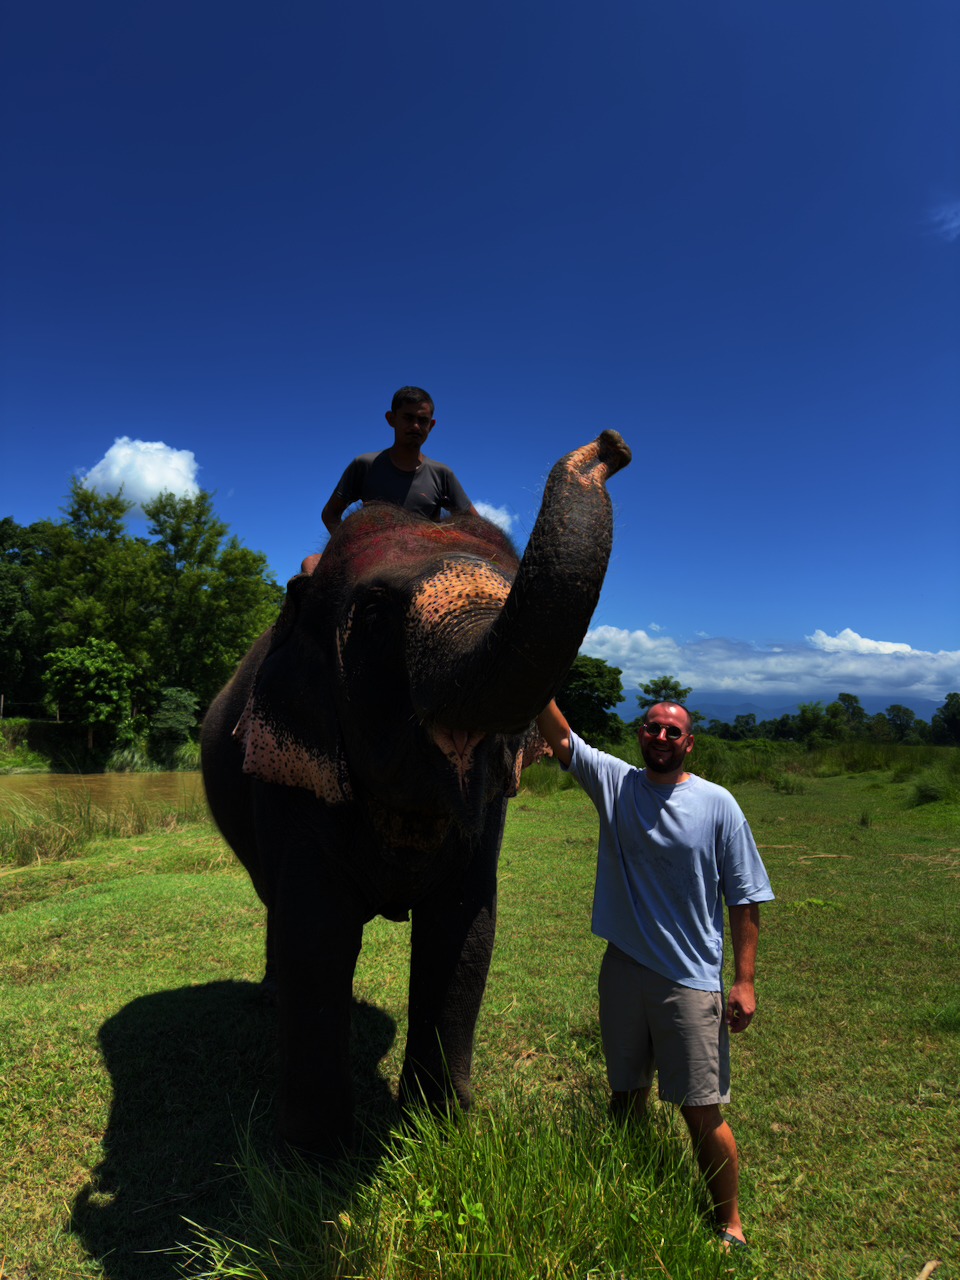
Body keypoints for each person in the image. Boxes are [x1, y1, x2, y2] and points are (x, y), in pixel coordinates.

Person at [535, 697, 774, 1252]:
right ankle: (628, 1181)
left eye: (674, 731)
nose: (662, 737)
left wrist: (743, 979)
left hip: (688, 981)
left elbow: (744, 898)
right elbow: (564, 739)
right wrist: (537, 677)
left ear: (689, 742)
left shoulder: (718, 805)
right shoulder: (617, 784)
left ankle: (730, 1225)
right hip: (622, 968)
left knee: (700, 1108)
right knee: (625, 1092)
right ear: (639, 735)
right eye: (653, 728)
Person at [321, 386, 478, 533]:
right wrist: (349, 549)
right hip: (375, 556)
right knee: (310, 562)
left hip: (428, 557)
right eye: (408, 418)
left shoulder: (442, 473)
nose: (415, 426)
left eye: (422, 420)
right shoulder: (364, 464)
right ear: (391, 419)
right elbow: (330, 513)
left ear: (431, 425)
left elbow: (476, 524)